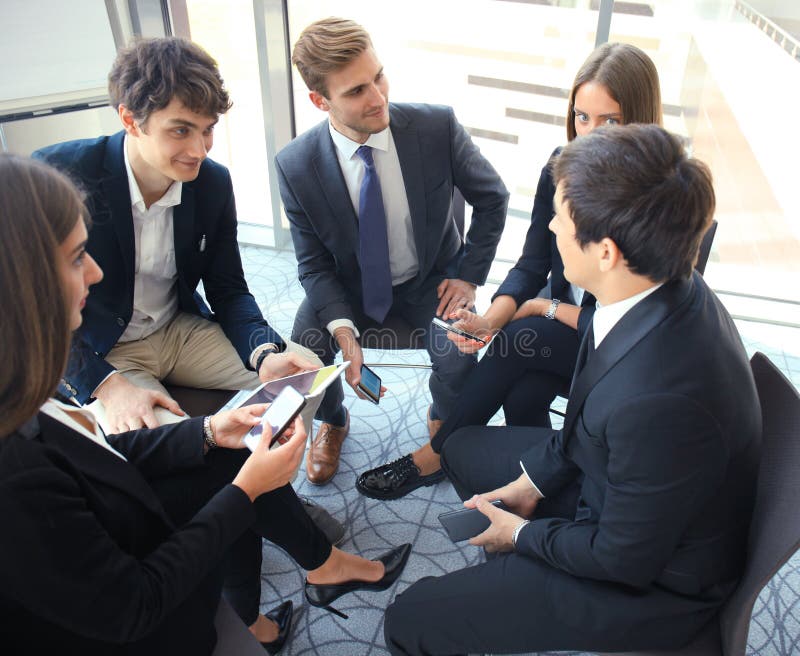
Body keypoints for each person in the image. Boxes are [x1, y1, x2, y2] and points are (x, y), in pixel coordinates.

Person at [0, 153, 411, 655]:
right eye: (74, 258)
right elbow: (134, 606)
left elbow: (94, 457)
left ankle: (272, 602)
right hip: (150, 620)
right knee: (234, 480)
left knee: (229, 446)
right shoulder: (15, 472)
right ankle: (299, 570)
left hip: (172, 345)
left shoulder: (22, 389)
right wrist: (244, 493)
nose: (95, 272)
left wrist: (210, 431)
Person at [383, 124, 762, 655]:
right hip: (620, 491)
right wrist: (529, 486)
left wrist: (519, 534)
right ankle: (520, 582)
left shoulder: (659, 399)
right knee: (463, 447)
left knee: (409, 617)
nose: (553, 225)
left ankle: (528, 579)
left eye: (561, 216)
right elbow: (587, 421)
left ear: (605, 251)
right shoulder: (652, 287)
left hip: (652, 582)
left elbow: (621, 559)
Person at [33, 36, 342, 542]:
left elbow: (229, 287)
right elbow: (33, 311)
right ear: (130, 119)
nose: (198, 150)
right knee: (161, 445)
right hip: (101, 350)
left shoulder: (212, 182)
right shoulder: (61, 175)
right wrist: (107, 386)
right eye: (181, 130)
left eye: (208, 130)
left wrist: (263, 352)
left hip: (177, 326)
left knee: (301, 377)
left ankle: (262, 500)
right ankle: (245, 517)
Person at [358, 42, 664, 500]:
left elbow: (640, 326)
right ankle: (539, 489)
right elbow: (532, 263)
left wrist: (544, 307)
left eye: (611, 121)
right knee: (522, 395)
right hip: (569, 330)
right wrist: (489, 321)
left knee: (530, 338)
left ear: (639, 119)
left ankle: (436, 454)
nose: (591, 135)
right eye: (582, 117)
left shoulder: (662, 197)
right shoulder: (560, 168)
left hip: (624, 350)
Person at [276, 17, 509, 486]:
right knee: (304, 349)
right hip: (350, 289)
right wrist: (343, 331)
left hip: (433, 282)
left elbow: (493, 197)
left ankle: (442, 420)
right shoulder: (296, 165)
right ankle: (333, 421)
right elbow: (314, 265)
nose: (378, 96)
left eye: (378, 76)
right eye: (356, 90)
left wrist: (467, 276)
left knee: (459, 353)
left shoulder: (435, 125)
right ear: (320, 101)